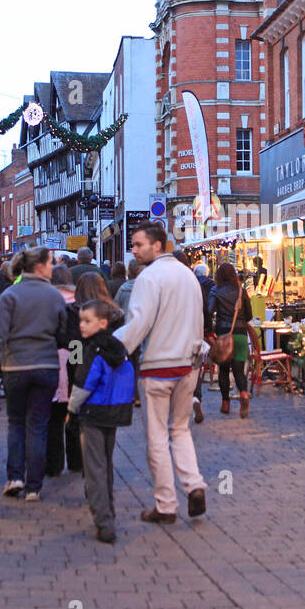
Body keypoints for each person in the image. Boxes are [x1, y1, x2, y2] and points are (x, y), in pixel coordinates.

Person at [113, 222, 209, 523]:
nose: (133, 249)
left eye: (138, 244)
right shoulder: (188, 275)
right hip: (189, 363)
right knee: (180, 429)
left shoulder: (149, 278)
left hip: (158, 365)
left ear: (157, 245)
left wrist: (111, 347)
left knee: (156, 436)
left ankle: (166, 503)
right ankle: (194, 485)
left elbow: (138, 324)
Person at [0, 247, 69, 501]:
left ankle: (15, 476)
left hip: (15, 366)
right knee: (38, 425)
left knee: (16, 423)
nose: (54, 267)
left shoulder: (9, 295)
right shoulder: (54, 297)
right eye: (51, 263)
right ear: (41, 267)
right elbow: (63, 333)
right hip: (46, 366)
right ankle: (34, 486)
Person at [67, 299, 136, 544]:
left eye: (87, 321)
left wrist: (72, 409)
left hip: (94, 412)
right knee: (105, 465)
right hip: (116, 412)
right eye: (80, 321)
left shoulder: (93, 350)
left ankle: (104, 521)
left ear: (102, 323)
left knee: (94, 468)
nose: (82, 326)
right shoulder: (119, 348)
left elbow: (83, 383)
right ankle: (109, 510)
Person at [45, 265, 81, 477]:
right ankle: (76, 461)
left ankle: (54, 464)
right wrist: (77, 362)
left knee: (53, 419)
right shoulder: (80, 303)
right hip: (74, 358)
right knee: (74, 415)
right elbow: (78, 339)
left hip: (52, 360)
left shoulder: (47, 303)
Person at [209, 262, 252, 418]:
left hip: (223, 335)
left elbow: (209, 311)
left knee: (224, 370)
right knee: (239, 370)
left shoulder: (215, 290)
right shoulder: (242, 291)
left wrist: (211, 328)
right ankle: (244, 393)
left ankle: (225, 403)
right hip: (240, 334)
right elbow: (249, 316)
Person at [192, 263, 214, 423]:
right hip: (197, 330)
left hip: (176, 333)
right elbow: (207, 308)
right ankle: (195, 396)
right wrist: (208, 328)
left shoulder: (190, 283)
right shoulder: (209, 285)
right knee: (195, 365)